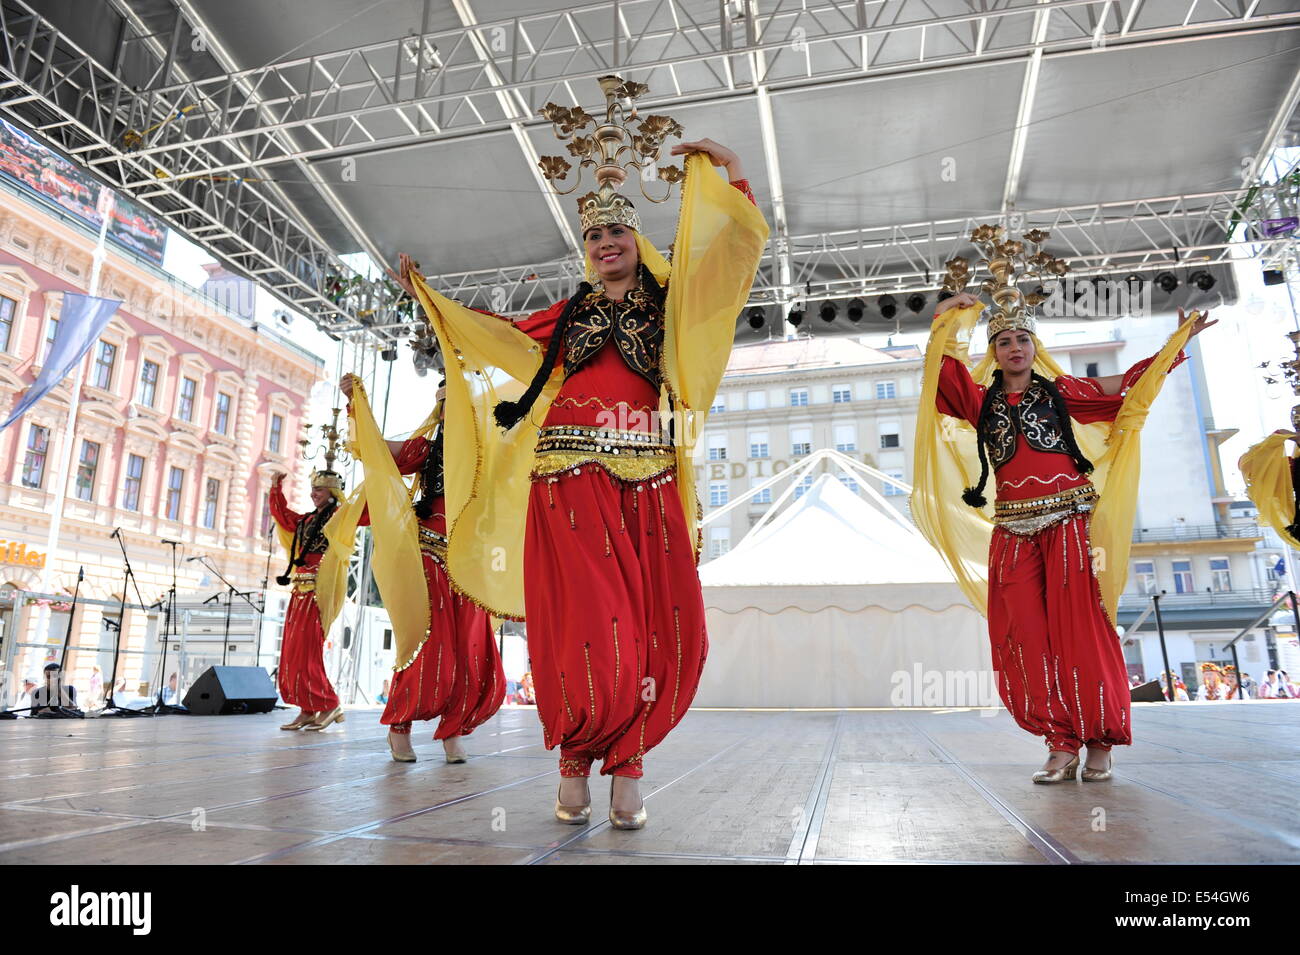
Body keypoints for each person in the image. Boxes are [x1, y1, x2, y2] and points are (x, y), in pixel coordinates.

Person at [393, 133, 766, 828]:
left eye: (618, 230)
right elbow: (492, 331)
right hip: (564, 482)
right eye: (594, 234)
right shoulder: (567, 316)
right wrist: (427, 297)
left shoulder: (671, 306)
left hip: (648, 483)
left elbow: (731, 263)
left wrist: (732, 170)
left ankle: (627, 765)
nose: (605, 242)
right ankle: (573, 762)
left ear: (637, 239)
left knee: (652, 628)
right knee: (587, 628)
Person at [916, 282, 1212, 784]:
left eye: (1023, 340)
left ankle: (1098, 739)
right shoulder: (980, 401)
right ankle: (1059, 741)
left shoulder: (1060, 391)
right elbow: (941, 372)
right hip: (1011, 527)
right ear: (995, 352)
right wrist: (947, 315)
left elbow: (1121, 389)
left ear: (1036, 349)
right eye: (1005, 341)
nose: (1015, 348)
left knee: (1081, 629)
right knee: (1023, 634)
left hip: (1069, 521)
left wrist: (1173, 348)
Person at [340, 374, 506, 763]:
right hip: (431, 553)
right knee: (428, 641)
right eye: (448, 405)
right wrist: (357, 405)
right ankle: (400, 726)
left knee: (472, 649)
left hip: (472, 561)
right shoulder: (428, 450)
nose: (454, 412)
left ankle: (453, 732)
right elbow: (377, 452)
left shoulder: (491, 452)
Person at [270, 467, 364, 731]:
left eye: (319, 489)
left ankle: (330, 702)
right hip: (298, 592)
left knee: (307, 652)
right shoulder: (308, 521)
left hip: (318, 591)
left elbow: (361, 515)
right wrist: (276, 488)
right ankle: (307, 709)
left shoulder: (339, 517)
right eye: (312, 489)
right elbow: (284, 517)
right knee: (292, 653)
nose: (313, 494)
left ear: (332, 492)